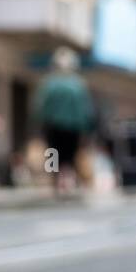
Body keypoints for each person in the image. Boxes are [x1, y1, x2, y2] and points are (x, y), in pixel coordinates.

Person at [34, 47, 95, 195]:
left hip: (52, 126)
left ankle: (55, 181)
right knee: (70, 154)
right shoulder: (78, 84)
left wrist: (39, 124)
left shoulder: (49, 84)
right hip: (73, 128)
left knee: (53, 153)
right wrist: (88, 128)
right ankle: (68, 179)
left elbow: (40, 107)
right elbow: (86, 110)